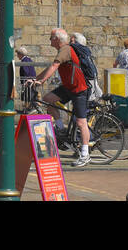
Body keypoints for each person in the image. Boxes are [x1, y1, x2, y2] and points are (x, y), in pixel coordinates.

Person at [33, 28, 91, 167]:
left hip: (79, 89)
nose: (49, 40)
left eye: (51, 38)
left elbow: (54, 66)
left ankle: (85, 154)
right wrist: (34, 79)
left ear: (57, 39)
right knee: (48, 99)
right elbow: (50, 68)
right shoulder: (62, 51)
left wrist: (41, 81)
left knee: (81, 122)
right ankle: (60, 128)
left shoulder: (66, 49)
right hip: (68, 87)